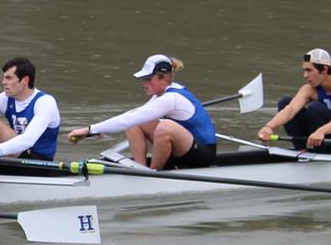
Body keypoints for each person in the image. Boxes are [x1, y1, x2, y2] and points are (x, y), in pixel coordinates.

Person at [65, 54, 217, 170]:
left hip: (202, 155)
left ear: (163, 77)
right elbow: (131, 117)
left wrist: (88, 130)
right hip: (184, 149)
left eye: (148, 78)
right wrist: (96, 131)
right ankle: (140, 168)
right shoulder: (163, 93)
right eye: (143, 79)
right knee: (136, 121)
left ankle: (153, 173)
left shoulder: (172, 98)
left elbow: (127, 120)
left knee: (165, 127)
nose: (144, 83)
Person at [258, 47, 331, 150]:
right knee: (285, 102)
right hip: (323, 136)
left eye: (309, 70)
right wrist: (269, 127)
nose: (305, 75)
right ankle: (302, 150)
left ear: (324, 69)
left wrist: (321, 131)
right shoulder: (309, 89)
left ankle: (318, 151)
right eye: (304, 70)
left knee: (314, 108)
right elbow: (291, 110)